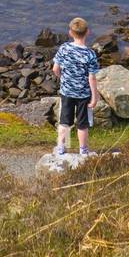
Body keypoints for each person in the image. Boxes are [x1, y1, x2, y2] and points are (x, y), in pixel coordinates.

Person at [52, 17, 100, 157]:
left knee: (64, 122)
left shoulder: (64, 48)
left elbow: (55, 69)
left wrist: (64, 79)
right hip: (83, 94)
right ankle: (83, 150)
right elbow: (92, 77)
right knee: (82, 124)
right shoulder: (90, 54)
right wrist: (95, 96)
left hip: (66, 92)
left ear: (70, 33)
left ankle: (61, 147)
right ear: (87, 32)